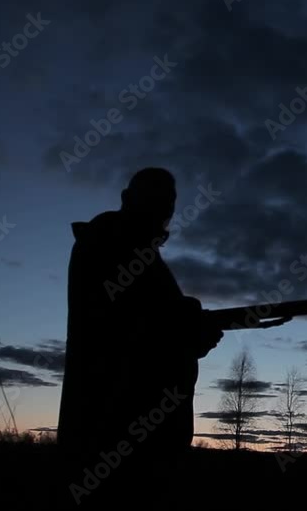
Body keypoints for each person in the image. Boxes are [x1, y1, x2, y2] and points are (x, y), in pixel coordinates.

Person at [55, 167, 225, 506]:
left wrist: (192, 332)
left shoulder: (139, 252)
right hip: (114, 437)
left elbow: (154, 331)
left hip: (143, 441)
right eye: (155, 198)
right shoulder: (112, 240)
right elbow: (132, 332)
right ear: (127, 199)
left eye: (169, 202)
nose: (164, 209)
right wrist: (192, 327)